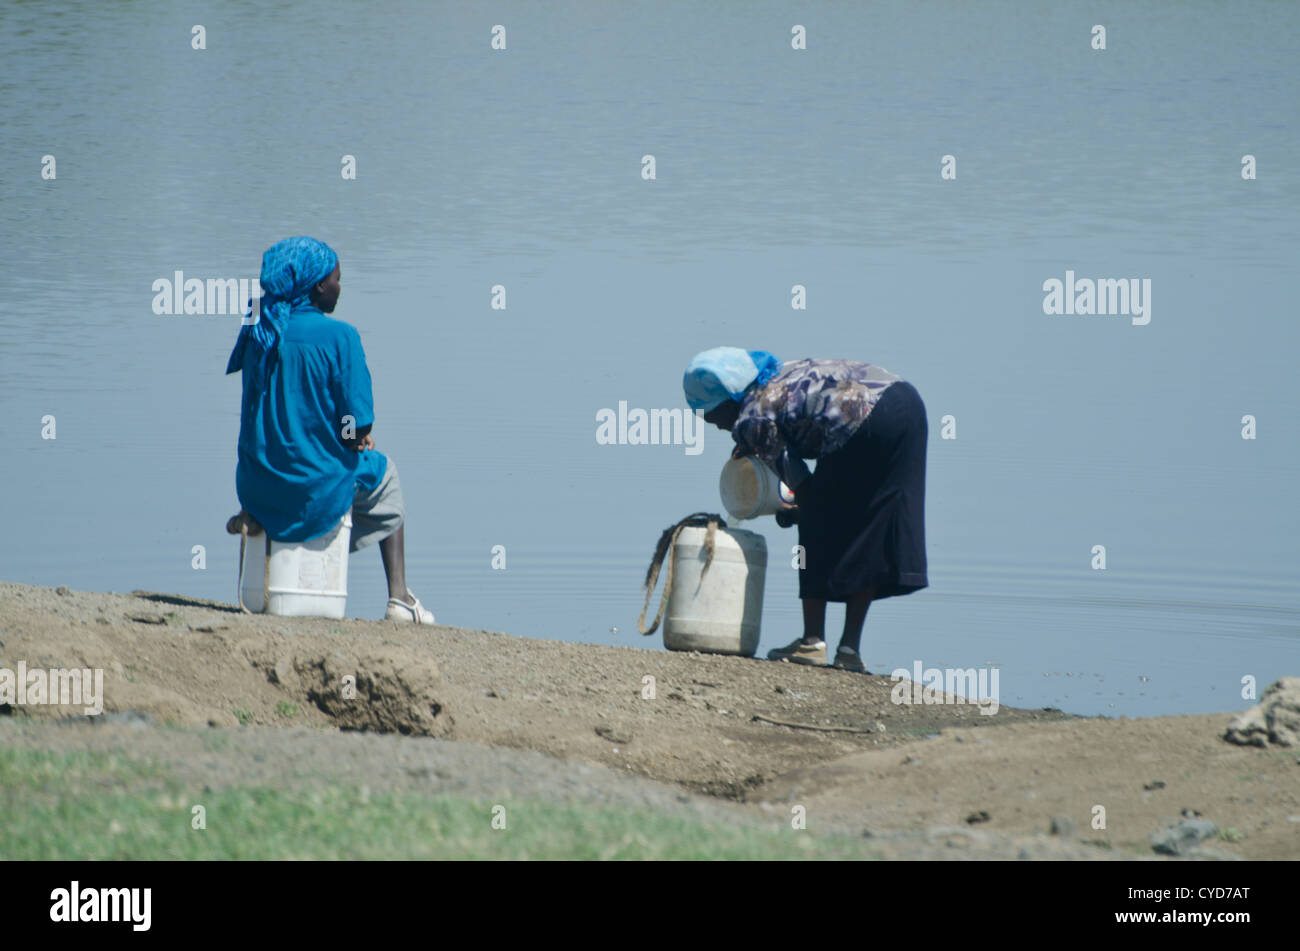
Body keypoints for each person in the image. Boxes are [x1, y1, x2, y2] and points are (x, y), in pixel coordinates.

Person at [225, 236, 434, 623]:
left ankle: (271, 530)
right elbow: (357, 420)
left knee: (313, 467)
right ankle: (400, 599)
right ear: (318, 285)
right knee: (385, 477)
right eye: (338, 279)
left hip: (257, 483)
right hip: (311, 483)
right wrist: (354, 439)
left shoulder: (259, 328)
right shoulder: (341, 337)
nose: (341, 287)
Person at [683, 347, 928, 671]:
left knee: (815, 520)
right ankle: (849, 651)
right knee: (872, 526)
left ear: (728, 399)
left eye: (709, 414)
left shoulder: (751, 416)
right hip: (906, 405)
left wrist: (800, 508)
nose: (712, 425)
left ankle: (812, 642)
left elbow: (803, 487)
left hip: (857, 417)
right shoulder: (776, 377)